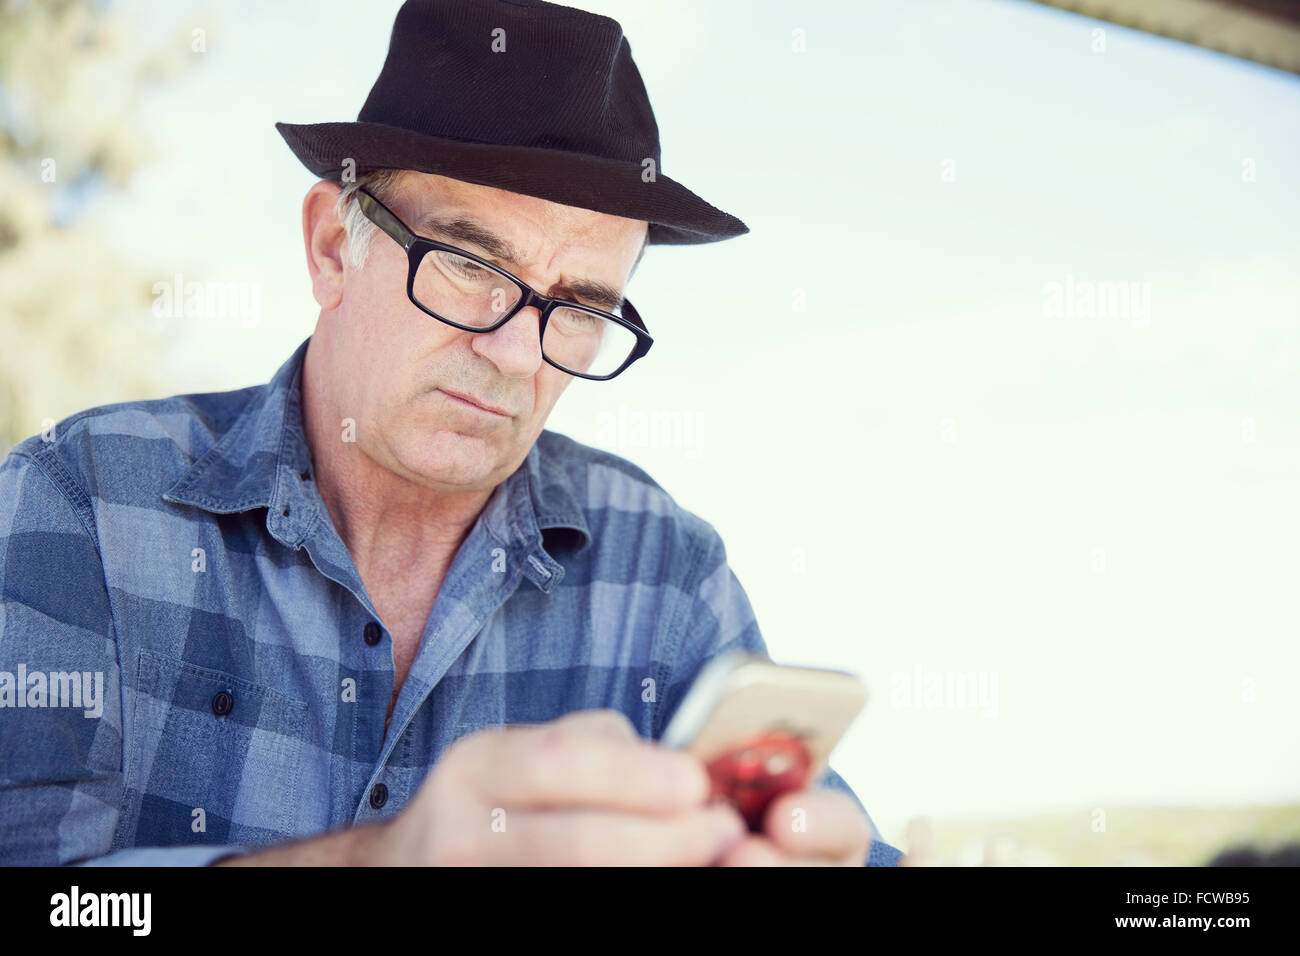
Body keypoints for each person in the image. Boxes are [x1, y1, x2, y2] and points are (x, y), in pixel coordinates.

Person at [0, 0, 900, 866]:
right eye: (472, 265)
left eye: (581, 307)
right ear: (329, 248)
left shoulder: (664, 572)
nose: (516, 353)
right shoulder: (85, 505)